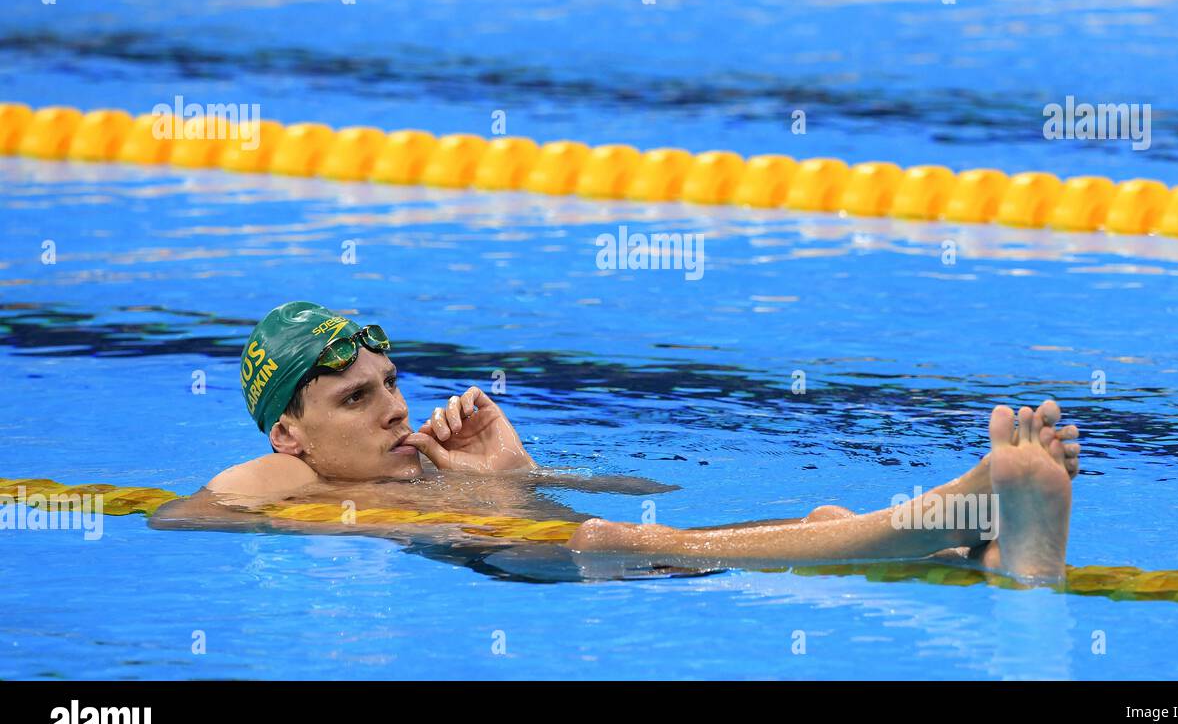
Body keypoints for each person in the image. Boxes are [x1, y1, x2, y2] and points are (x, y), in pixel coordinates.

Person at [154, 301, 1081, 581]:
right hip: (562, 559)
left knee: (743, 530)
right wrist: (340, 513)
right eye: (357, 399)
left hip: (553, 550)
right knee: (614, 539)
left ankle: (988, 551)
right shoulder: (279, 468)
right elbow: (184, 515)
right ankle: (954, 516)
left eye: (392, 383)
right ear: (292, 431)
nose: (396, 408)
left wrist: (512, 475)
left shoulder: (422, 474)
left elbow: (648, 486)